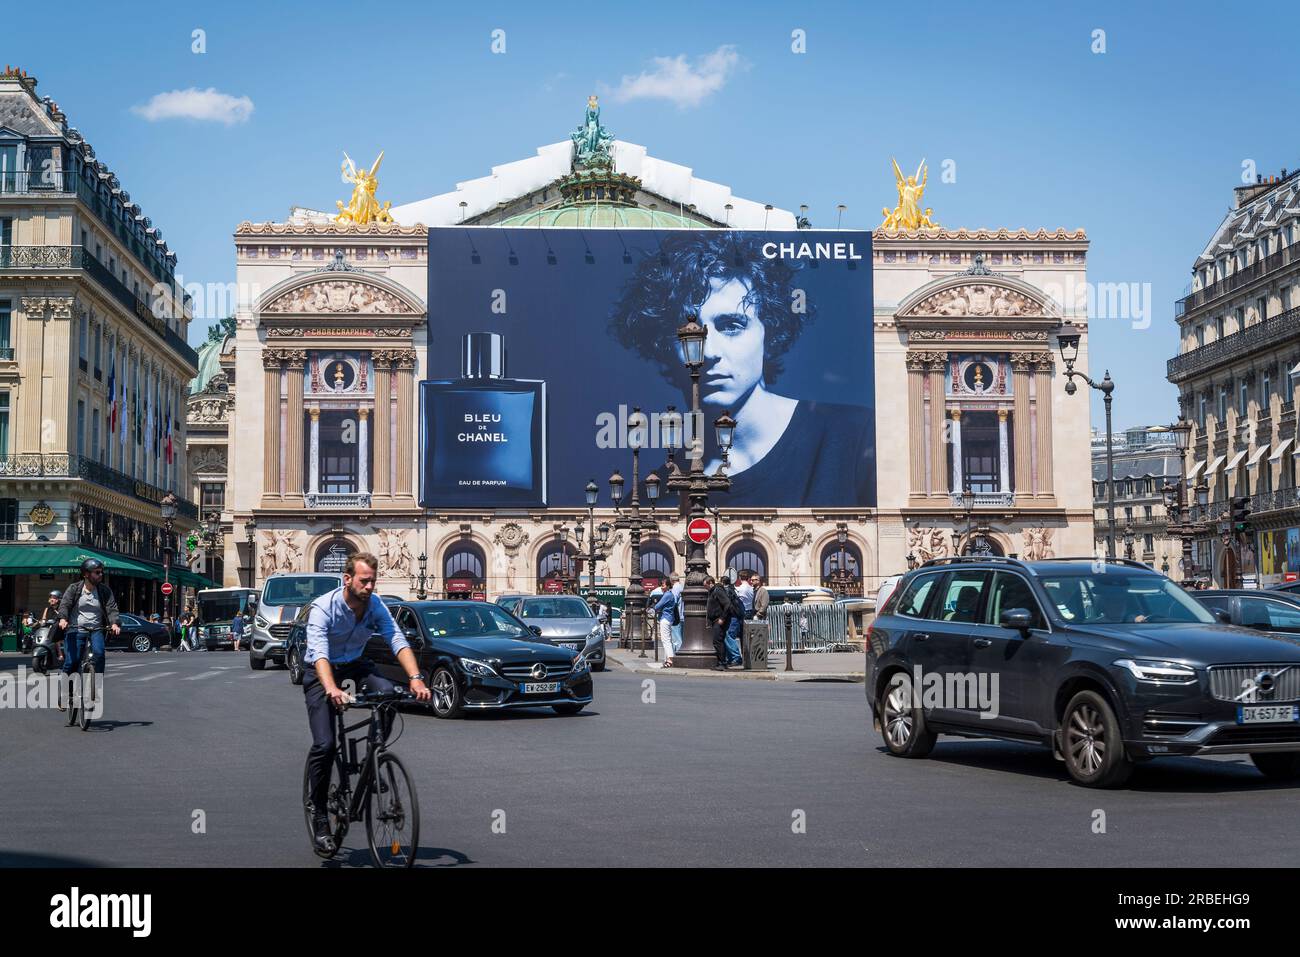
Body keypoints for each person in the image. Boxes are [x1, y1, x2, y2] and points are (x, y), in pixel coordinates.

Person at [609, 232, 875, 507]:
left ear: (769, 333)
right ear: (662, 347)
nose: (708, 352)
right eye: (687, 333)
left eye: (731, 326)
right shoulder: (652, 499)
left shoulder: (856, 438)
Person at [303, 552, 431, 855]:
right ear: (348, 579)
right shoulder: (324, 608)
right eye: (365, 580)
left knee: (387, 694)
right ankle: (320, 814)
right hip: (321, 670)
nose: (371, 586)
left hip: (356, 663)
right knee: (324, 744)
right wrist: (331, 687)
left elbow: (396, 639)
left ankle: (372, 758)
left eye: (374, 580)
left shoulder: (375, 605)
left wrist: (415, 678)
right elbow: (319, 653)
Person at [56, 558, 122, 704]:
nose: (100, 575)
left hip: (96, 628)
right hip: (75, 628)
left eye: (101, 572)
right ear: (86, 574)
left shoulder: (104, 590)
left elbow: (112, 608)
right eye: (97, 572)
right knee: (71, 661)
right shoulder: (74, 589)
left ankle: (95, 686)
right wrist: (63, 619)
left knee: (99, 653)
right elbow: (64, 605)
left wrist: (115, 623)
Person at [704, 575, 732, 670]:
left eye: (706, 586)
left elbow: (727, 604)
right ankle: (722, 662)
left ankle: (722, 663)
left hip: (719, 620)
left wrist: (722, 618)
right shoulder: (713, 591)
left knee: (717, 641)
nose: (705, 588)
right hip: (716, 620)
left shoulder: (718, 590)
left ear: (711, 583)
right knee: (718, 641)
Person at [652, 575, 678, 667]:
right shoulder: (670, 594)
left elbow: (657, 606)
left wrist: (656, 607)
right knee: (668, 639)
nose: (661, 587)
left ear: (667, 586)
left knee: (665, 640)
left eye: (662, 585)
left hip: (665, 618)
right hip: (669, 618)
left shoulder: (667, 595)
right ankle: (669, 658)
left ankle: (670, 660)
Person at [723, 575, 745, 666]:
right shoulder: (733, 590)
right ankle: (732, 658)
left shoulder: (727, 591)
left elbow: (727, 605)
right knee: (729, 636)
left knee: (729, 637)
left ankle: (736, 658)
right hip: (735, 616)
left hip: (732, 617)